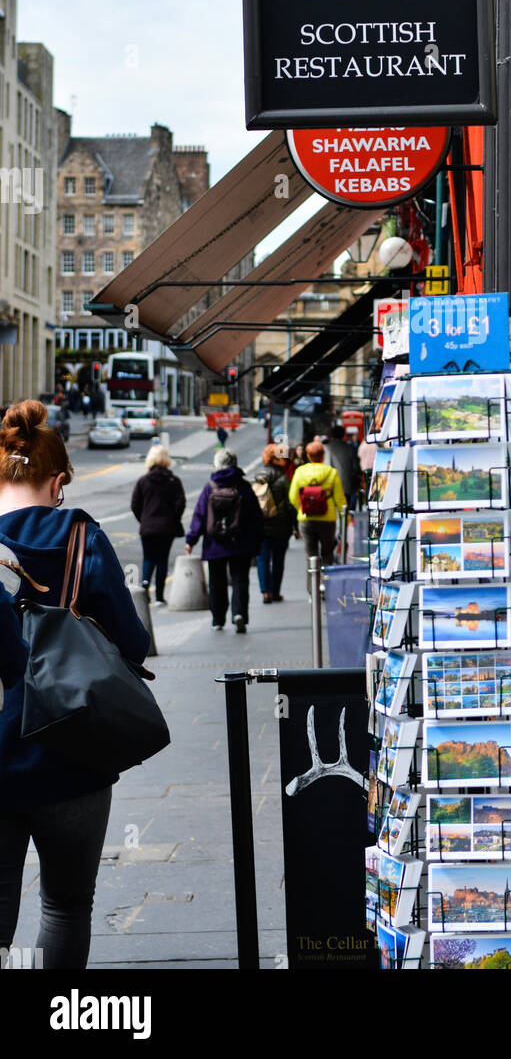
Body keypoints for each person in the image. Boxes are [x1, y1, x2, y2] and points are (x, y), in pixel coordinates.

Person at [0, 399, 150, 969]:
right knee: (65, 908)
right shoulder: (83, 537)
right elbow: (133, 645)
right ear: (59, 479)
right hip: (71, 756)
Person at [185, 448, 263, 633]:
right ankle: (239, 613)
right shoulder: (243, 486)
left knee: (216, 581)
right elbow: (255, 516)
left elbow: (200, 515)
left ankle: (217, 619)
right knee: (240, 579)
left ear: (217, 465)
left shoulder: (210, 487)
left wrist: (191, 539)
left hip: (215, 543)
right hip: (240, 541)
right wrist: (258, 541)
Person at [130, 445, 186, 606]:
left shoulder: (143, 481)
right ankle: (160, 596)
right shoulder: (173, 481)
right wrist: (172, 518)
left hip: (147, 527)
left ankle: (145, 585)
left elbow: (135, 504)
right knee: (162, 560)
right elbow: (180, 503)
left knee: (148, 558)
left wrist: (144, 519)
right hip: (167, 528)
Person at [288, 439, 346, 567]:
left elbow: (292, 497)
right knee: (327, 553)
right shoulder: (331, 472)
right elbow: (340, 500)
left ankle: (313, 584)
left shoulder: (300, 472)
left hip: (306, 518)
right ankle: (326, 583)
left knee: (311, 555)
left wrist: (302, 508)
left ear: (308, 456)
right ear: (323, 456)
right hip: (327, 518)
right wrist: (345, 520)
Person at [252, 444, 293, 605]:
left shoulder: (256, 476)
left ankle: (265, 592)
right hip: (281, 524)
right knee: (278, 559)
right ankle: (275, 591)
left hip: (261, 525)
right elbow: (291, 504)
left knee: (262, 558)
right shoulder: (283, 478)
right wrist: (294, 526)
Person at [324, 424, 362, 512]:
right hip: (346, 487)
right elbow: (356, 468)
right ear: (343, 435)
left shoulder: (325, 447)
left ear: (331, 435)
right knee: (345, 513)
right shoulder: (349, 448)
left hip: (329, 485)